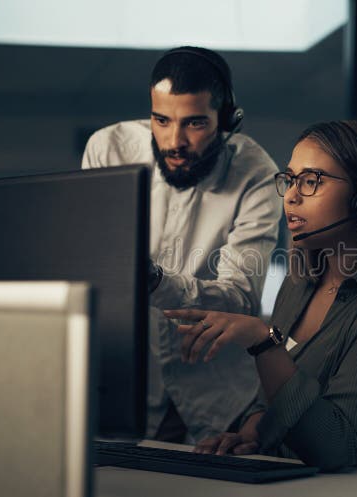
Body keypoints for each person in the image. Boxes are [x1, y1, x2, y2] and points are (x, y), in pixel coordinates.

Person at [165, 120, 357, 474]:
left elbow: (335, 446)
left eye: (311, 181)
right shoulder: (300, 284)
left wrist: (263, 342)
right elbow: (272, 397)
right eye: (290, 179)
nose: (291, 196)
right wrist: (253, 432)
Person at [81, 47, 281, 443]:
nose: (175, 141)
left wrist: (153, 280)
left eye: (195, 123)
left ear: (227, 121)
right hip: (129, 385)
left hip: (219, 395)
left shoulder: (258, 175)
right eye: (162, 120)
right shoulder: (109, 149)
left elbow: (240, 299)